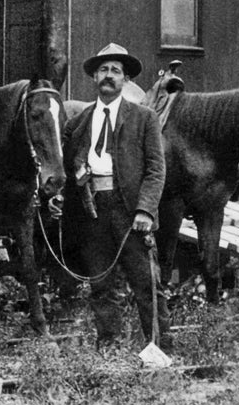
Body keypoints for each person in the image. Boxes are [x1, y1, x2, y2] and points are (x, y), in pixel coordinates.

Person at [62, 42, 168, 350]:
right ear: (94, 77)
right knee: (100, 283)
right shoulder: (78, 123)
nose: (109, 76)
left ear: (126, 80)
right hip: (93, 211)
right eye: (103, 70)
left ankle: (159, 347)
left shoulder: (144, 118)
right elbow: (67, 165)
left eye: (116, 71)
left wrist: (146, 211)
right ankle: (108, 345)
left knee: (146, 283)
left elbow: (155, 170)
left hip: (131, 212)